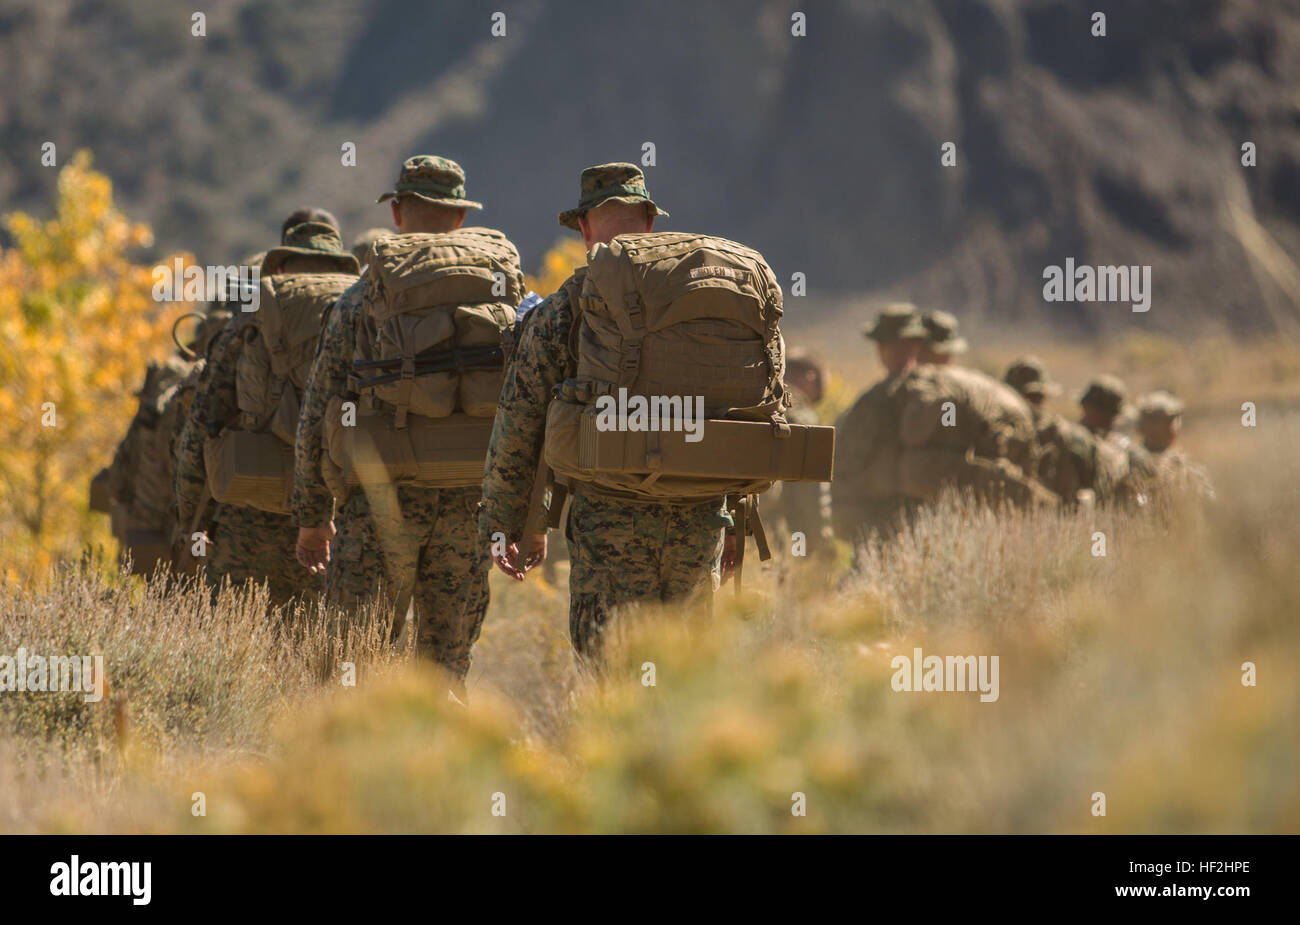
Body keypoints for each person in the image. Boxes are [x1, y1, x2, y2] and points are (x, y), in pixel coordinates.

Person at [479, 162, 740, 667]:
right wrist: (735, 520)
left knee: (611, 671)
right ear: (649, 222)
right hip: (700, 518)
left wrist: (508, 524)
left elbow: (518, 425)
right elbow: (741, 407)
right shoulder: (703, 298)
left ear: (583, 227)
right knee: (688, 675)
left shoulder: (564, 309)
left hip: (610, 522)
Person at [293, 155, 515, 690]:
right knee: (446, 668)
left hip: (379, 504)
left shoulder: (362, 298)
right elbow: (522, 408)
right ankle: (445, 768)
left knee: (353, 668)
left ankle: (355, 767)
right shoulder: (499, 288)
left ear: (396, 212)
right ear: (460, 217)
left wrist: (312, 516)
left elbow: (319, 407)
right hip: (469, 504)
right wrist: (522, 514)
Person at [830, 303, 929, 547]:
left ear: (882, 349)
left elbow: (846, 457)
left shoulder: (875, 399)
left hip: (880, 516)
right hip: (929, 514)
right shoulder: (937, 393)